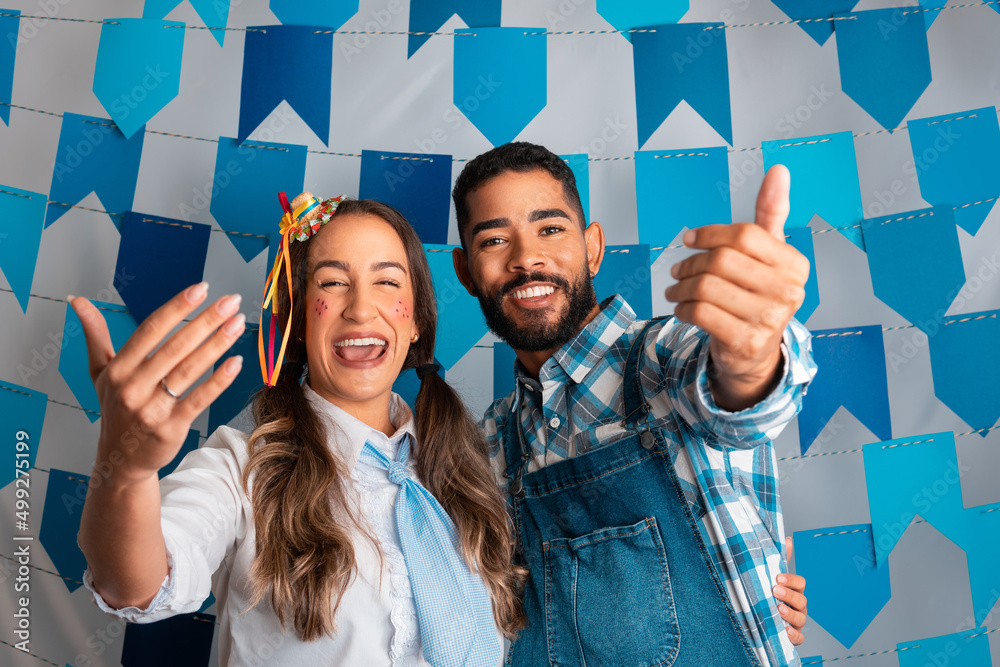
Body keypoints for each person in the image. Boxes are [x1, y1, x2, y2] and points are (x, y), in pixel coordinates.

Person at [73, 195, 523, 666]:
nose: (361, 309)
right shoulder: (243, 465)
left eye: (387, 282)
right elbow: (136, 585)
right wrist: (125, 471)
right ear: (298, 320)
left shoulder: (466, 463)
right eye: (333, 283)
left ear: (415, 321)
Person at [450, 142, 817, 667]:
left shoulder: (662, 359)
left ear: (593, 247)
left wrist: (751, 352)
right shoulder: (488, 444)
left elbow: (741, 399)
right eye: (495, 239)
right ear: (465, 272)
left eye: (550, 229)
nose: (526, 257)